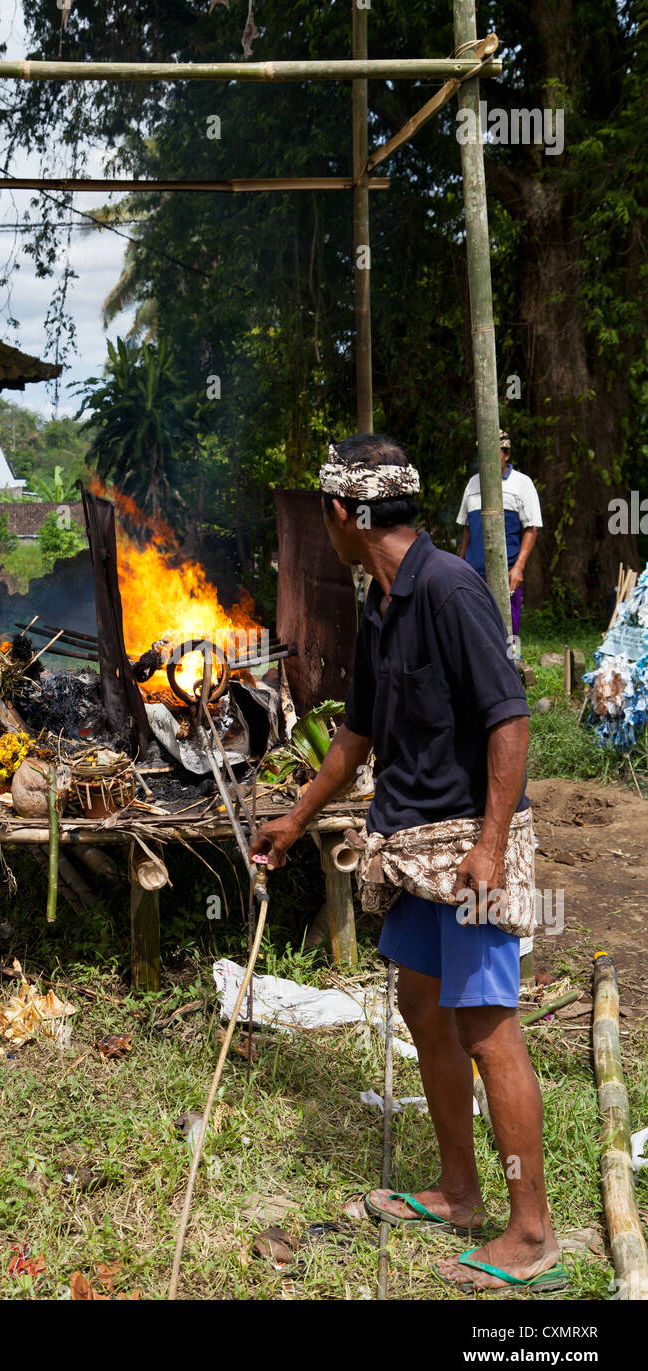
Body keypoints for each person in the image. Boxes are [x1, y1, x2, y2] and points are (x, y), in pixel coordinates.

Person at [251, 434, 565, 1293]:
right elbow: (356, 732)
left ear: (345, 515)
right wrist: (296, 816)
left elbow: (511, 719)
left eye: (326, 512)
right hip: (406, 843)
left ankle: (532, 1231)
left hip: (469, 850)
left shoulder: (452, 589)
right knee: (422, 1007)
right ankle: (459, 1192)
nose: (326, 525)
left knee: (487, 1026)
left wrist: (492, 846)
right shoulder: (380, 601)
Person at [456, 429, 542, 638]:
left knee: (507, 628)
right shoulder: (473, 483)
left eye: (495, 453)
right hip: (474, 570)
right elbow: (466, 526)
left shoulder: (522, 483)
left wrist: (519, 567)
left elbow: (531, 527)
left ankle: (510, 668)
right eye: (485, 454)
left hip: (507, 570)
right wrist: (460, 563)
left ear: (506, 454)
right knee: (473, 626)